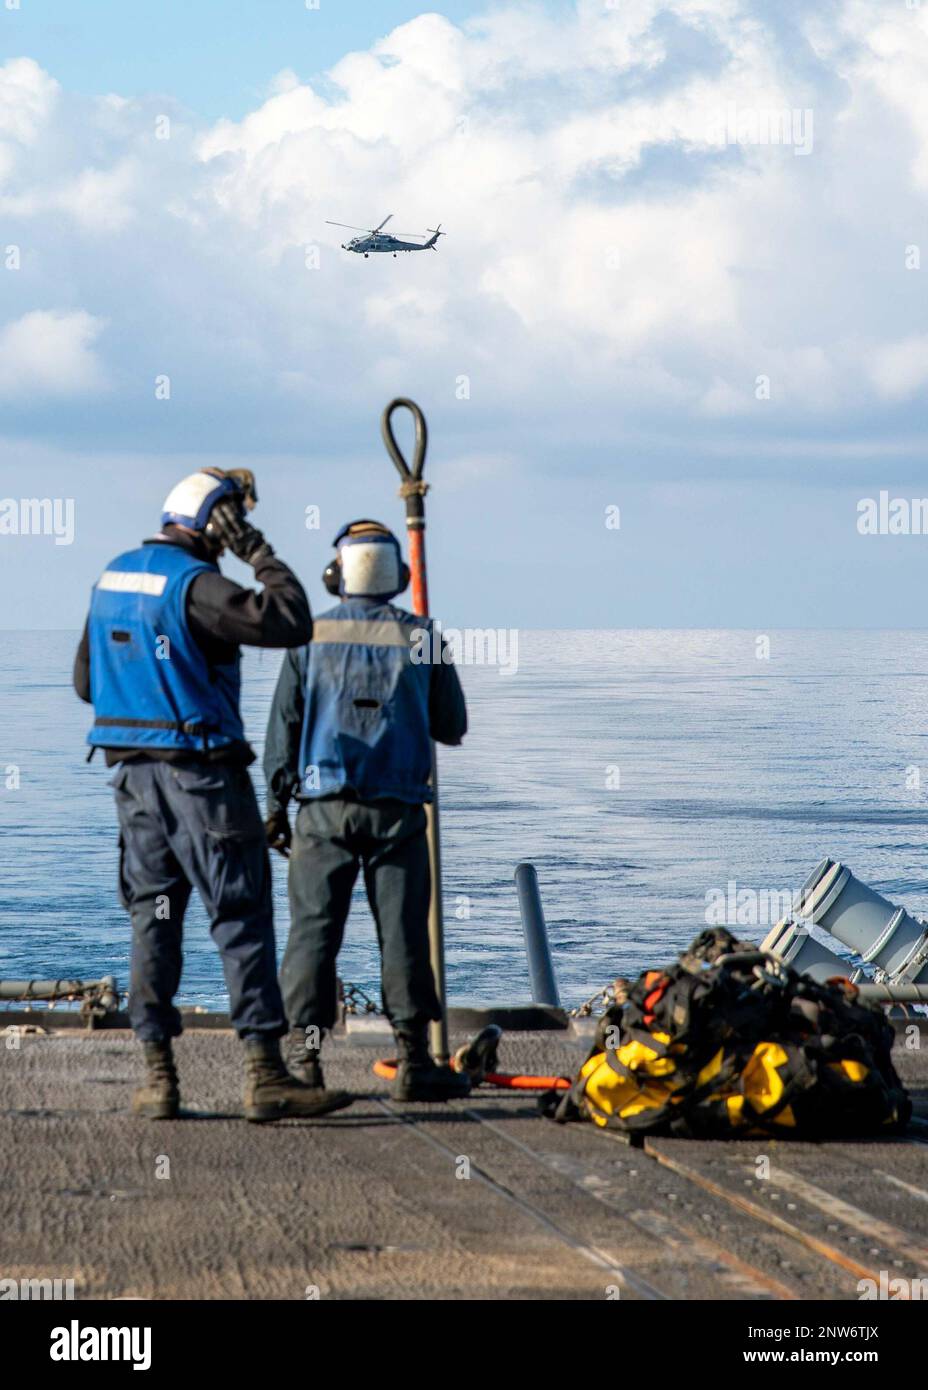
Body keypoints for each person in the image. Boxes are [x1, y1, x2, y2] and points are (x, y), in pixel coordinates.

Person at [73, 468, 352, 1123]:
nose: (228, 544)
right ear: (212, 524)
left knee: (154, 919)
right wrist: (260, 552)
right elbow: (289, 621)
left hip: (133, 783)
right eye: (229, 524)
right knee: (241, 917)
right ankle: (264, 1075)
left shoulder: (111, 579)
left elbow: (88, 683)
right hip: (203, 779)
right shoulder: (196, 586)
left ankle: (159, 1079)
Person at [263, 519, 471, 1101]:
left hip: (322, 811)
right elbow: (452, 726)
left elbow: (282, 730)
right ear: (398, 576)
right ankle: (414, 1063)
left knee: (312, 936)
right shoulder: (423, 635)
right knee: (403, 936)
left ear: (337, 574)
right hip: (398, 812)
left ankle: (305, 1062)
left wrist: (276, 806)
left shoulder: (308, 635)